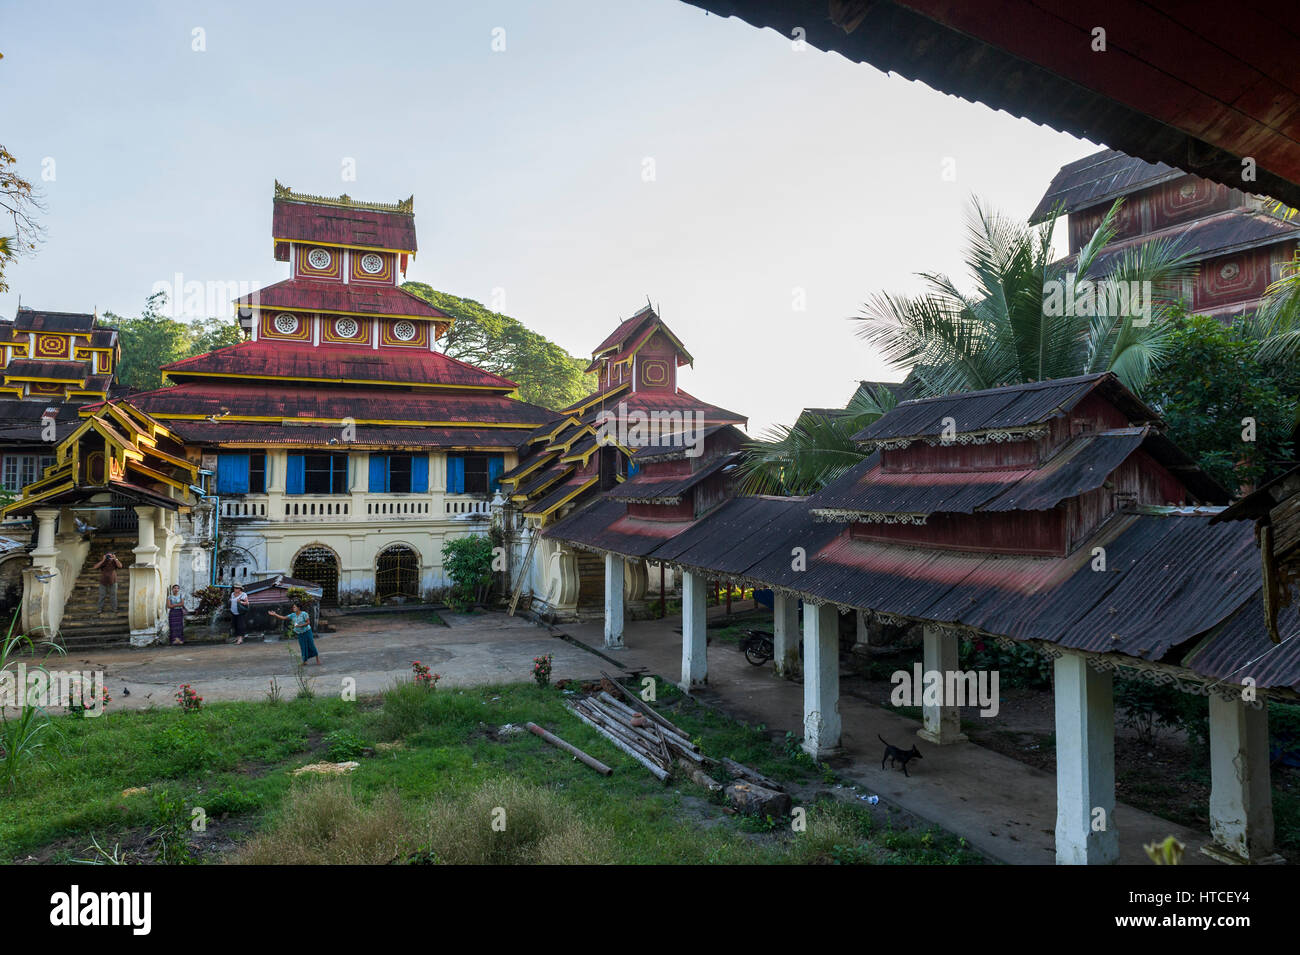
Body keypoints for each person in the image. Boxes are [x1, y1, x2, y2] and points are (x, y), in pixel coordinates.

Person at [269, 601, 319, 666]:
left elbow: (308, 623)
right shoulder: (293, 615)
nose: (293, 608)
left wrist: (300, 626)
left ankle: (317, 659)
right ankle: (305, 661)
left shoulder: (304, 614)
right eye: (293, 607)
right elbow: (283, 617)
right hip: (300, 633)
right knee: (303, 647)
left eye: (294, 607)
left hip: (307, 631)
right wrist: (275, 614)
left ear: (298, 608)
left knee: (311, 645)